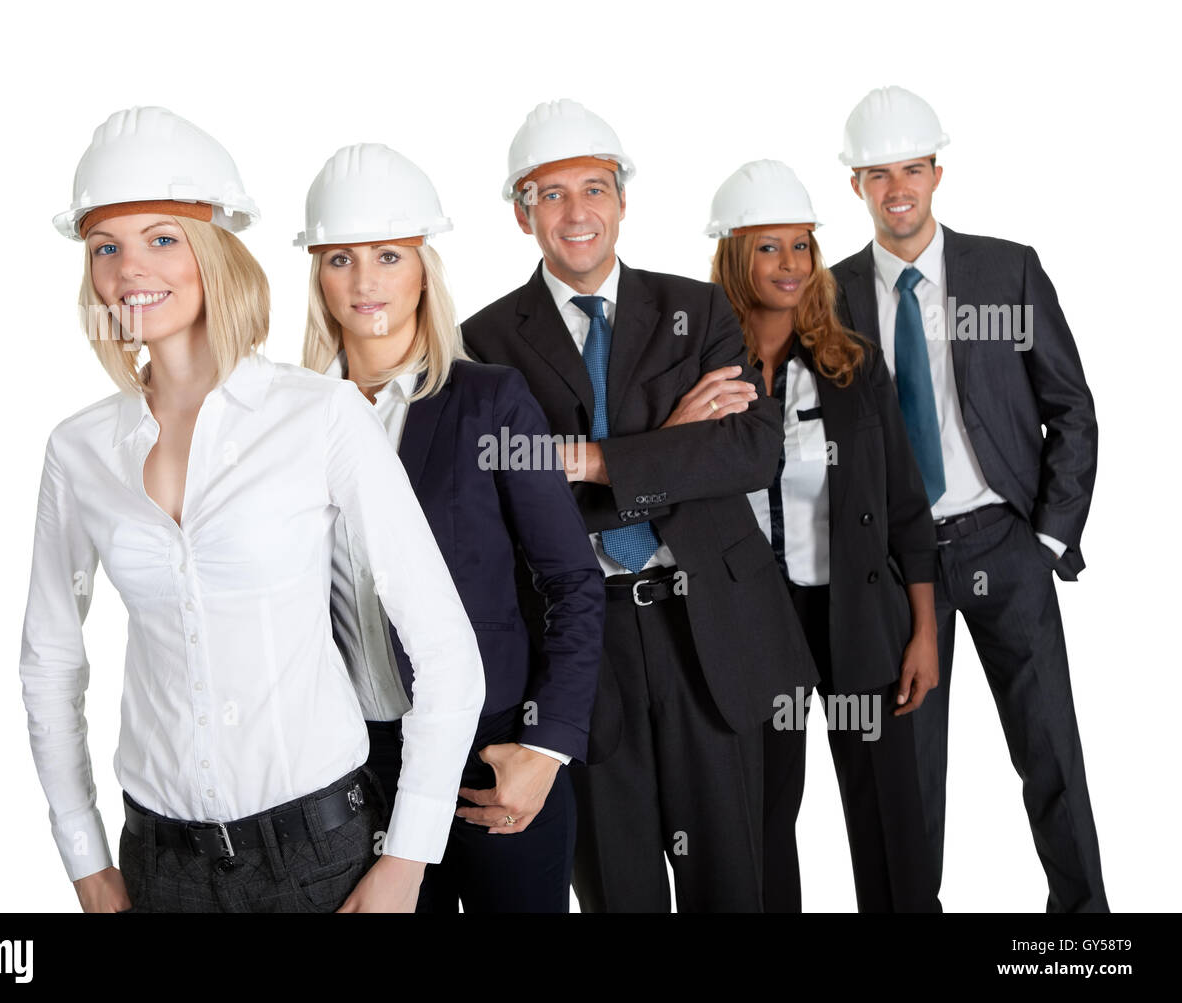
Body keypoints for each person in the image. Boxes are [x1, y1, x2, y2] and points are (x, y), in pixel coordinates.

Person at [19, 107, 484, 913]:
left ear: (214, 251)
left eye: (161, 238)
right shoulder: (79, 449)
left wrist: (407, 859)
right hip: (159, 865)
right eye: (106, 247)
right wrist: (85, 857)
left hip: (319, 857)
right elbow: (50, 659)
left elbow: (446, 649)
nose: (130, 269)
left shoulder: (320, 416)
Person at [462, 99, 817, 912]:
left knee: (738, 886)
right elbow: (504, 503)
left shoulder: (698, 308)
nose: (576, 212)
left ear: (622, 200)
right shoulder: (484, 341)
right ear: (522, 214)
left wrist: (587, 461)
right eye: (551, 194)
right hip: (582, 645)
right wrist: (671, 441)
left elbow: (748, 453)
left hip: (714, 635)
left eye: (594, 188)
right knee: (619, 889)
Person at [295, 143, 605, 912]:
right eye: (340, 259)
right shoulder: (289, 419)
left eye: (389, 256)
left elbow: (571, 579)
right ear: (317, 275)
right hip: (353, 768)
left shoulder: (491, 399)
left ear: (423, 269)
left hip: (488, 752)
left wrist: (544, 747)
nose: (365, 282)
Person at [830, 86, 1106, 912]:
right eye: (879, 174)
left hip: (1003, 543)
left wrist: (1047, 538)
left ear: (937, 173)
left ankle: (1086, 932)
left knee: (1050, 751)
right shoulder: (832, 296)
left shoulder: (1004, 269)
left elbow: (1071, 407)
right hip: (897, 568)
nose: (898, 189)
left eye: (912, 168)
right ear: (856, 184)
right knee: (909, 776)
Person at [707, 159, 940, 911]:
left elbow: (906, 506)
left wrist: (924, 632)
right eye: (768, 247)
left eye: (801, 245)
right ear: (734, 259)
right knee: (763, 813)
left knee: (889, 813)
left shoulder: (852, 365)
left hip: (853, 614)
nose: (790, 263)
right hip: (753, 622)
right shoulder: (701, 373)